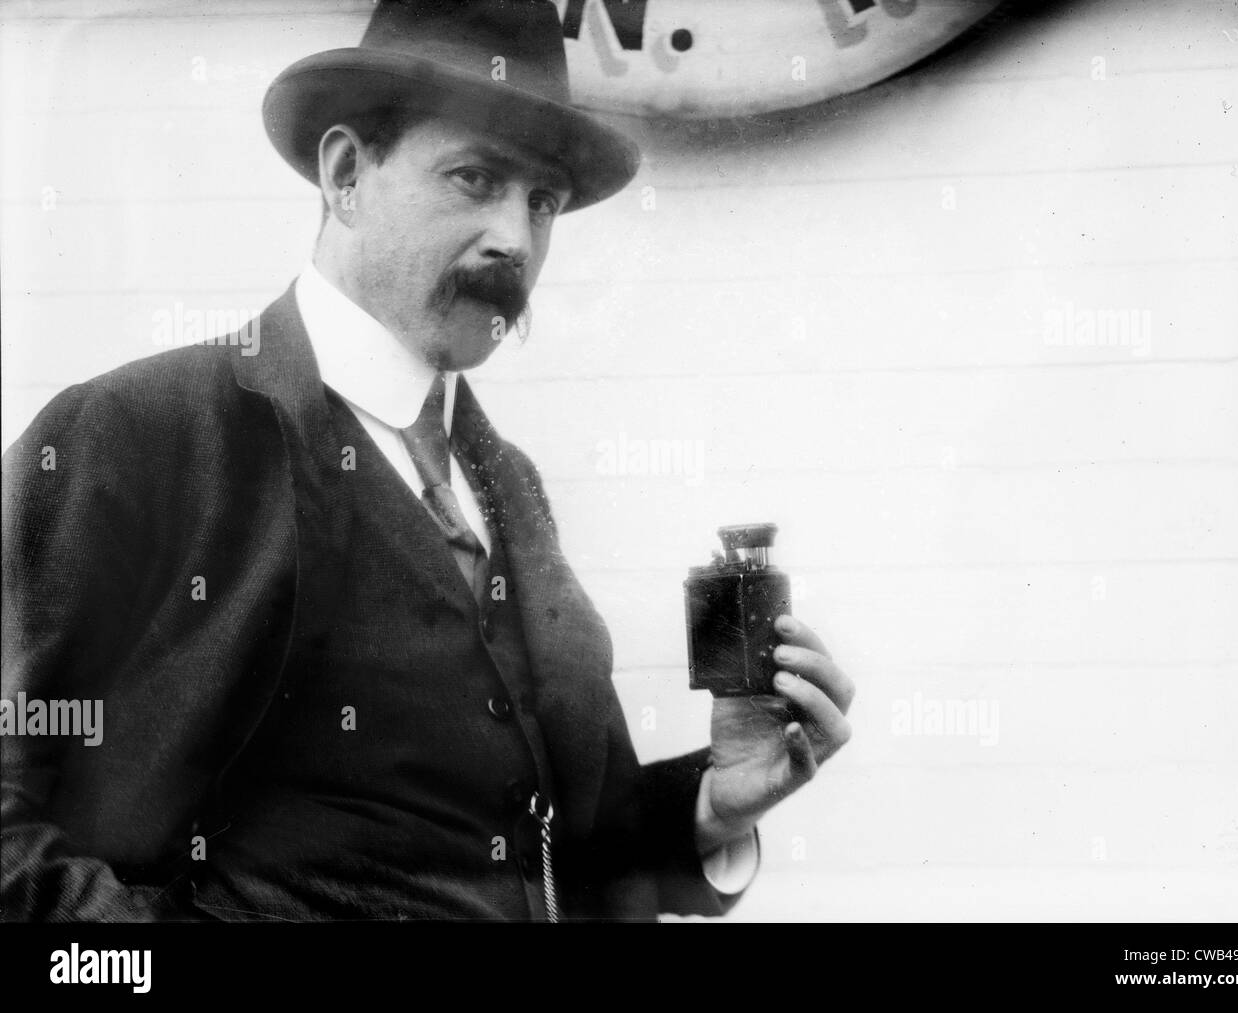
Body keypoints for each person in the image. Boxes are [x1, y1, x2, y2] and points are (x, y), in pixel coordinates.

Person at [0, 0, 853, 922]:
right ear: (345, 174)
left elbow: (551, 847)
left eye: (542, 202)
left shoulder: (508, 485)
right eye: (474, 177)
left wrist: (715, 799)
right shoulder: (142, 433)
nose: (515, 242)